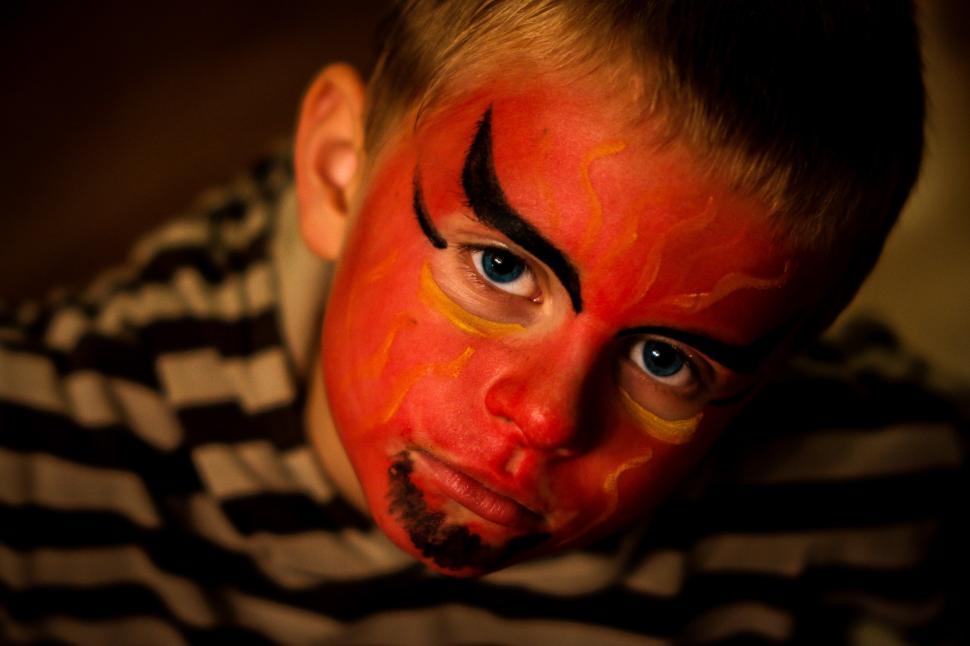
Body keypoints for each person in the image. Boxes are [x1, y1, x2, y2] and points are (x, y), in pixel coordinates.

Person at [0, 1, 964, 643]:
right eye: (502, 267)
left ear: (786, 364)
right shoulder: (40, 468)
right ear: (338, 170)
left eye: (666, 360)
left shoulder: (888, 506)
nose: (546, 420)